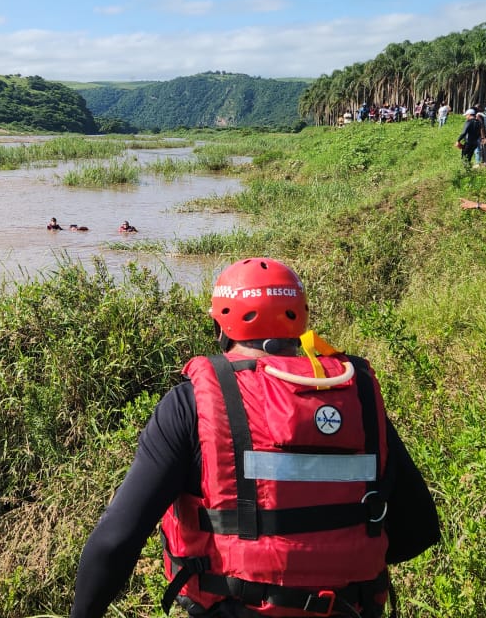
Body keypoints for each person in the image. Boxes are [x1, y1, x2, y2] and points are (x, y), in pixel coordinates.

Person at [69, 258, 441, 618]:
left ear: (220, 327)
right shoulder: (353, 394)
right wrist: (334, 558)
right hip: (349, 607)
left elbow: (116, 541)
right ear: (300, 321)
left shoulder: (191, 403)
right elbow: (419, 529)